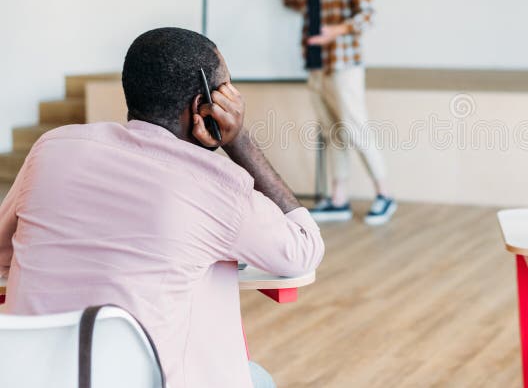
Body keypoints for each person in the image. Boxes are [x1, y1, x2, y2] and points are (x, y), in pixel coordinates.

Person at [0, 28, 325, 388]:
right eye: (226, 91)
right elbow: (303, 249)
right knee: (258, 379)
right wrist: (240, 140)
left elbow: (4, 252)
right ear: (203, 106)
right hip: (146, 380)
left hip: (30, 378)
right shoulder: (214, 184)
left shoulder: (52, 148)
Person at [253, 0, 396, 225]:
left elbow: (368, 14)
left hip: (342, 63)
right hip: (316, 65)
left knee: (356, 128)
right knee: (333, 133)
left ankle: (385, 194)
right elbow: (305, 6)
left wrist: (337, 29)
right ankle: (339, 199)